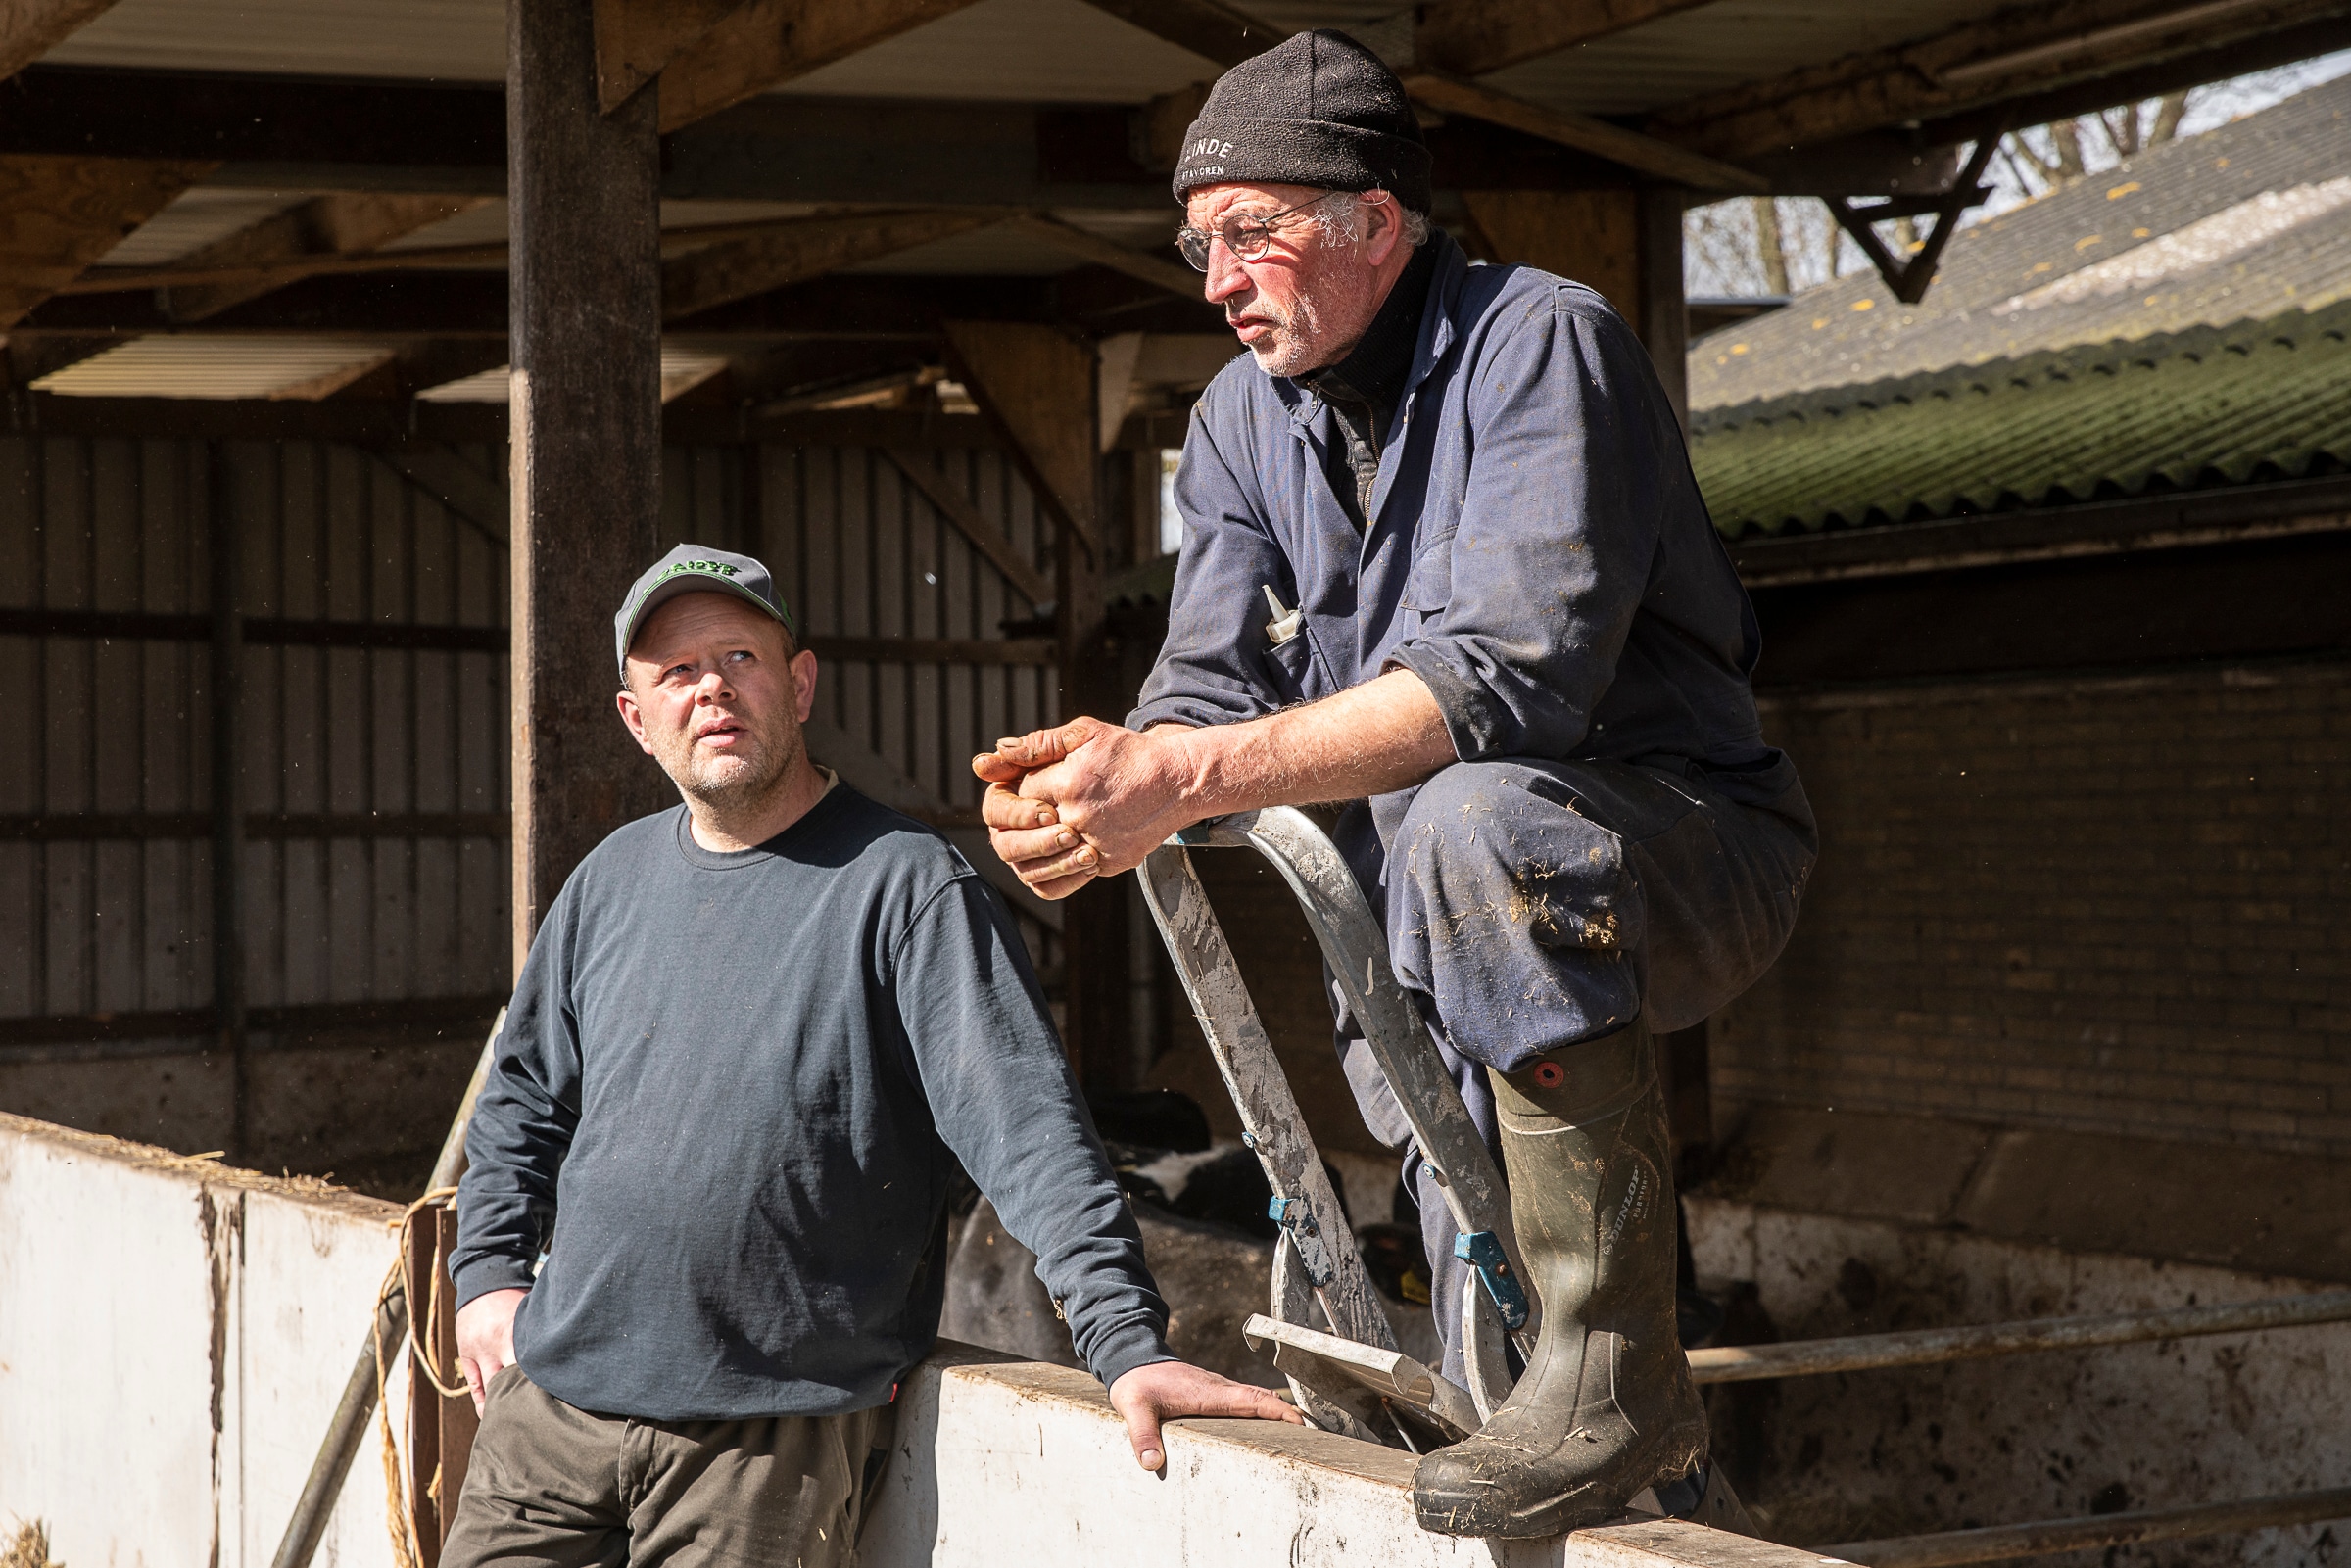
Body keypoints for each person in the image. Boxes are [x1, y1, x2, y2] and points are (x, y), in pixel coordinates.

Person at [972, 30, 1816, 1540]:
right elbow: (1203, 687)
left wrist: (1181, 772)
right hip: (1433, 921)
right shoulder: (1238, 420)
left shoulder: (1540, 344)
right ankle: (1641, 1463)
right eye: (1197, 244)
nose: (1216, 280)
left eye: (1250, 232)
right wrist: (1098, 781)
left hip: (1671, 849)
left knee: (1477, 813)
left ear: (1374, 217)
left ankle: (1619, 1382)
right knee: (1475, 1260)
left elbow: (1505, 683)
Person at [445, 544, 1296, 1567]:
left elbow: (1028, 1129)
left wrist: (1124, 1339)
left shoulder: (906, 887)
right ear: (637, 717)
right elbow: (522, 1098)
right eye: (677, 672)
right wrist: (486, 1271)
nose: (711, 687)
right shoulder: (606, 882)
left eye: (740, 657)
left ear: (800, 683)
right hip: (552, 1409)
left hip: (762, 1431)